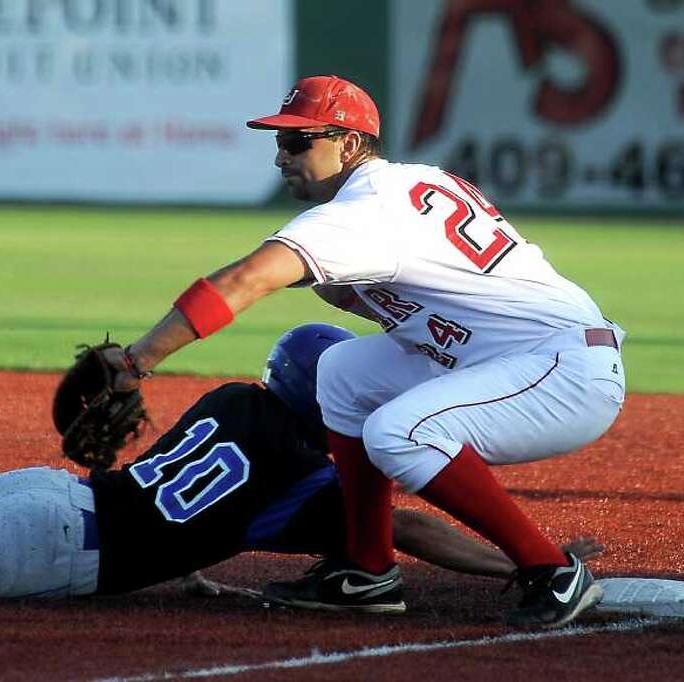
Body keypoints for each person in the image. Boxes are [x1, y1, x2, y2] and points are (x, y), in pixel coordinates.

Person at [97, 75, 625, 628]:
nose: (282, 156)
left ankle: (553, 571)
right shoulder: (410, 182)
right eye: (279, 141)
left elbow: (246, 280)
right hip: (508, 352)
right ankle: (367, 570)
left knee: (397, 432)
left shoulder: (360, 213)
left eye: (300, 142)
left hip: (562, 369)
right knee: (343, 372)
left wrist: (137, 360)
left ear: (348, 144)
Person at [0, 324, 597, 602]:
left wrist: (195, 560)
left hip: (56, 497)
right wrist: (527, 557)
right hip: (62, 546)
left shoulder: (232, 403)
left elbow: (195, 501)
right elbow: (414, 529)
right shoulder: (310, 473)